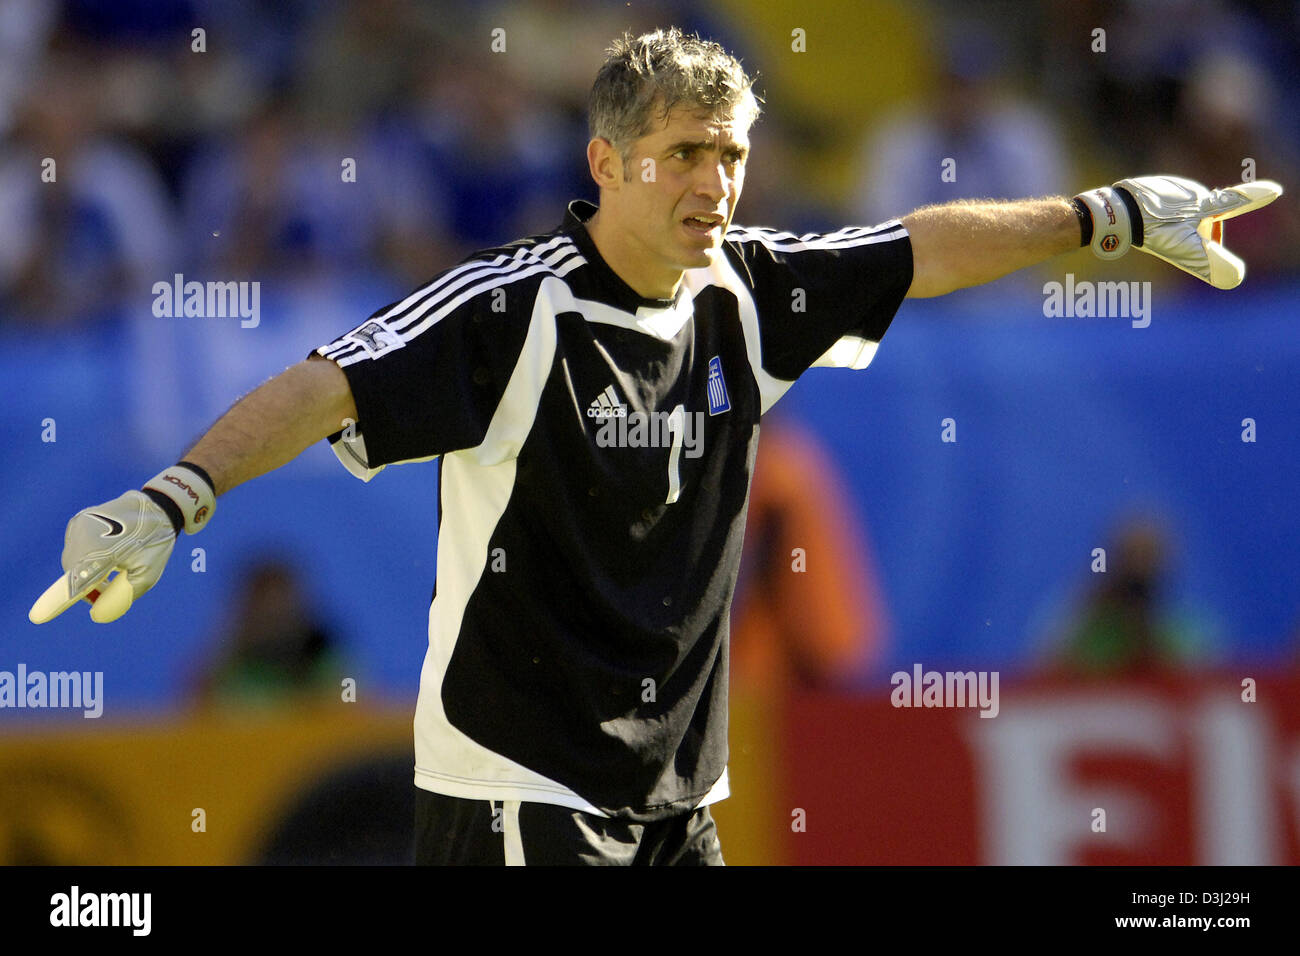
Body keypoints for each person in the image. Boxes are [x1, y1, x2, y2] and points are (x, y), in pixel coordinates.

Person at [29, 27, 1281, 865]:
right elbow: (325, 387)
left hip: (677, 802)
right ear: (607, 163)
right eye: (684, 154)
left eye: (731, 156)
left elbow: (920, 246)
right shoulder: (512, 310)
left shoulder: (747, 292)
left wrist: (1104, 213)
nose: (715, 185)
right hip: (519, 791)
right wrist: (174, 495)